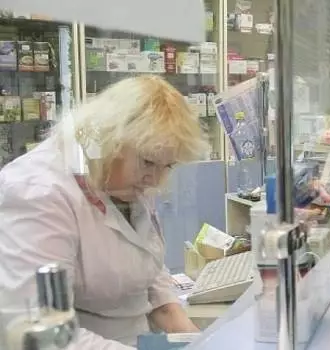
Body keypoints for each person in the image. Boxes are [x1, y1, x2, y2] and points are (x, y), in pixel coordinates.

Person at [0, 76, 209, 349]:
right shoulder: (38, 192)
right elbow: (43, 331)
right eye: (148, 163)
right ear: (110, 141)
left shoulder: (123, 179)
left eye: (167, 166)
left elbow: (148, 265)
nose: (155, 180)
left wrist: (193, 337)